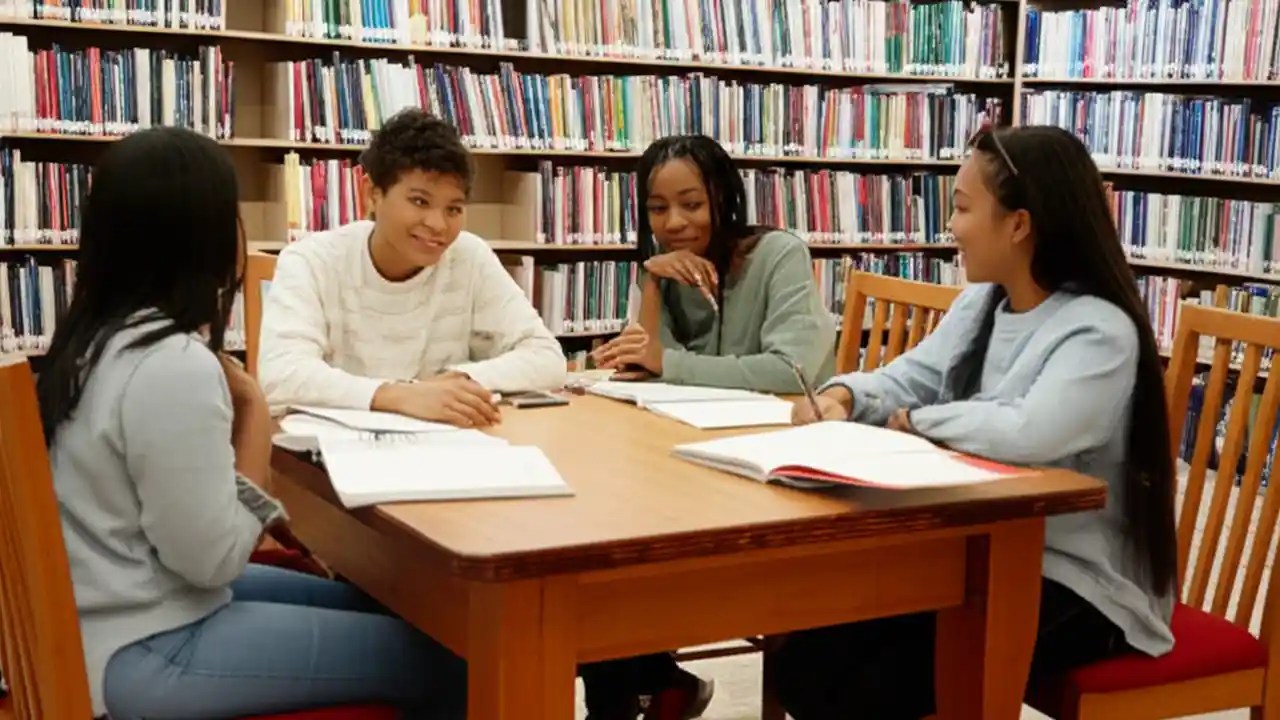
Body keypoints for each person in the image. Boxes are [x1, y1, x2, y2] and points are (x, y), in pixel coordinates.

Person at [36, 127, 466, 719]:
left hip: (111, 610)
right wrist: (255, 418)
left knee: (392, 611)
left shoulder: (93, 340)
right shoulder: (170, 365)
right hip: (148, 644)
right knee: (447, 659)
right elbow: (215, 561)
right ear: (201, 237)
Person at [780, 125, 1179, 719]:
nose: (953, 227)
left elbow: (1031, 432)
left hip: (1078, 583)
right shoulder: (982, 302)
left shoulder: (1099, 330)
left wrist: (916, 422)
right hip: (975, 552)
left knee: (874, 682)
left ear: (1019, 224)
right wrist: (843, 395)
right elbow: (911, 376)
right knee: (809, 656)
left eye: (963, 208)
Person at [257, 108, 566, 426]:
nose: (437, 224)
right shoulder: (311, 261)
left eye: (454, 209)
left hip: (443, 449)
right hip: (336, 457)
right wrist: (399, 395)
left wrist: (458, 381)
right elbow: (281, 377)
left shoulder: (469, 257)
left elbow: (546, 357)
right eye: (419, 201)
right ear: (372, 194)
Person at [591, 134, 837, 391]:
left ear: (723, 200)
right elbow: (648, 365)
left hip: (790, 418)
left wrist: (666, 363)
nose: (674, 223)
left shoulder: (780, 254)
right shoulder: (663, 264)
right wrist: (651, 280)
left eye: (692, 204)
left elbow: (792, 372)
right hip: (701, 420)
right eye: (658, 209)